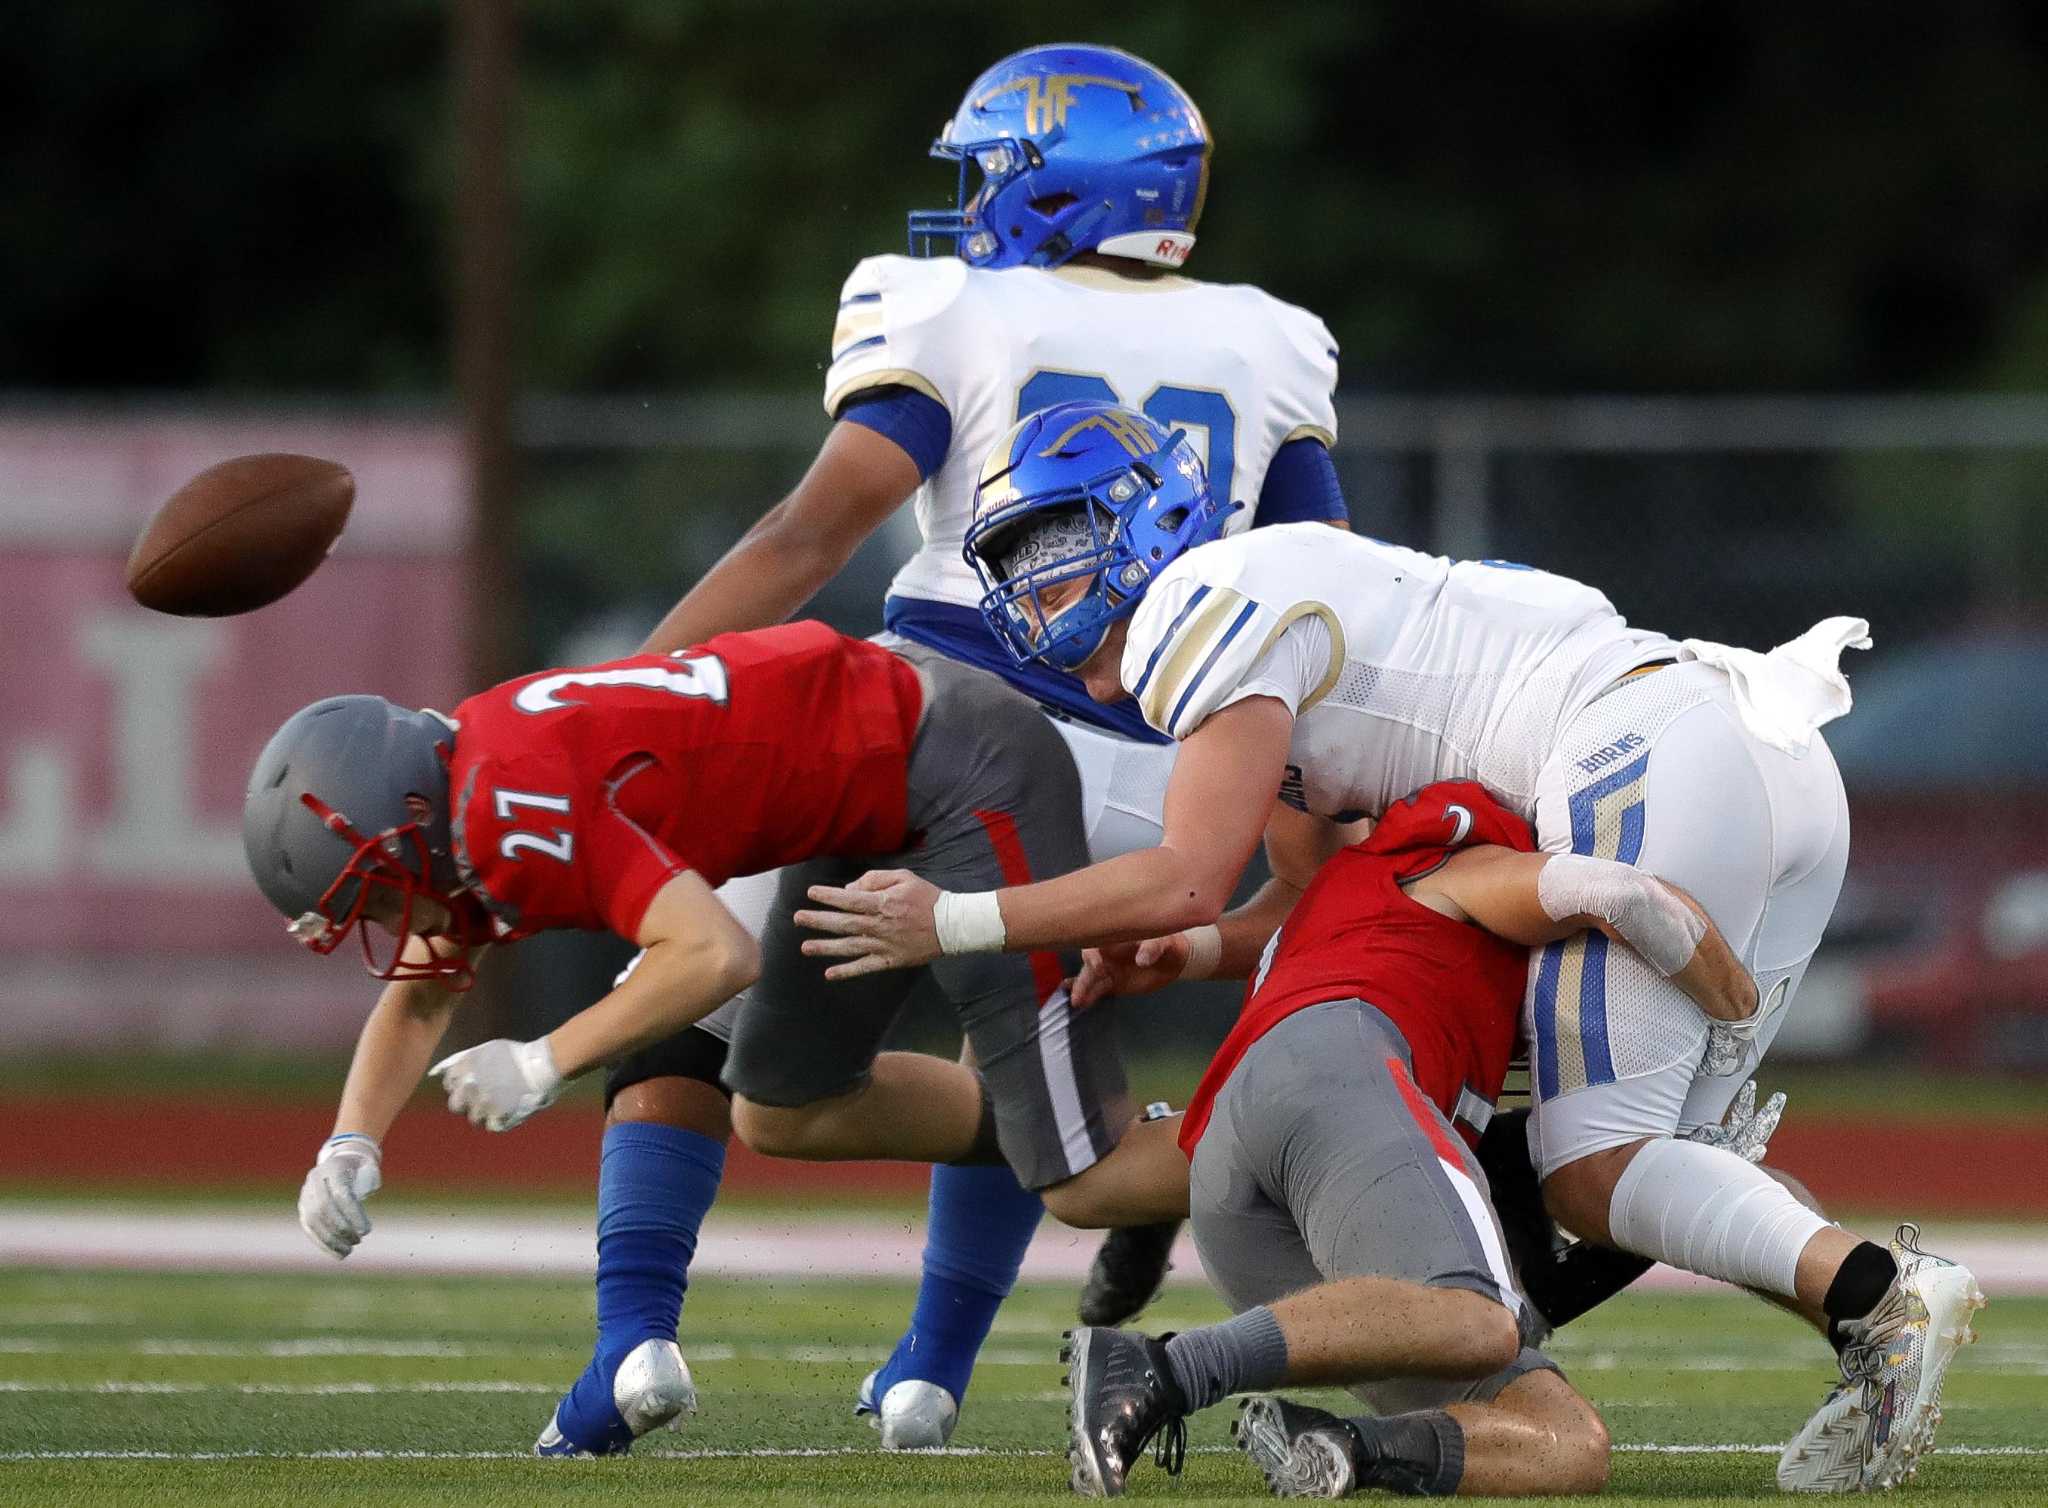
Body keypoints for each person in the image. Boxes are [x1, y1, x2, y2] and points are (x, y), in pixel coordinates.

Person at [798, 400, 1987, 1494]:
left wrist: (949, 916)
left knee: (1594, 1167)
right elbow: (1303, 899)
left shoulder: (1193, 604)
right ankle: (1858, 1324)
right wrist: (1191, 950)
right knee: (1657, 1156)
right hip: (1753, 755)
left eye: (1056, 536)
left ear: (1148, 516)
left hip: (1635, 754)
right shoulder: (1280, 620)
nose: (1031, 576)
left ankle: (1884, 1292)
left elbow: (1180, 871)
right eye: (1012, 555)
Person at [624, 41, 1352, 1447]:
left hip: (943, 738)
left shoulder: (952, 305)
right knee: (1030, 1070)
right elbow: (1327, 572)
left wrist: (633, 697)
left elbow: (812, 531)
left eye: (993, 169)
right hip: (1163, 782)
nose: (970, 200)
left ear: (1055, 184)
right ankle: (935, 1367)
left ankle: (639, 1337)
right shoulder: (1270, 336)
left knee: (719, 1012)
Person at [254, 621, 1185, 1457]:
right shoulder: (466, 790)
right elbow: (422, 997)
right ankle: (1102, 1128)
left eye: (373, 889)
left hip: (960, 766)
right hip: (862, 790)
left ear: (408, 819)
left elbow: (712, 955)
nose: (385, 913)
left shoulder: (505, 806)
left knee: (1080, 1182)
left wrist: (544, 1061)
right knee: (784, 1109)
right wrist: (349, 1141)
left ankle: (1183, 1152)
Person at [1064, 778, 1768, 1499]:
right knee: (1478, 1316)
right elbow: (1621, 897)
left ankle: (1346, 1448)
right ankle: (1169, 1369)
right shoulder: (1453, 863)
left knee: (1564, 1441)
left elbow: (1525, 1301)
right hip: (1341, 1066)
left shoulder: (1351, 907)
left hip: (1237, 1171)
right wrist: (1743, 1022)